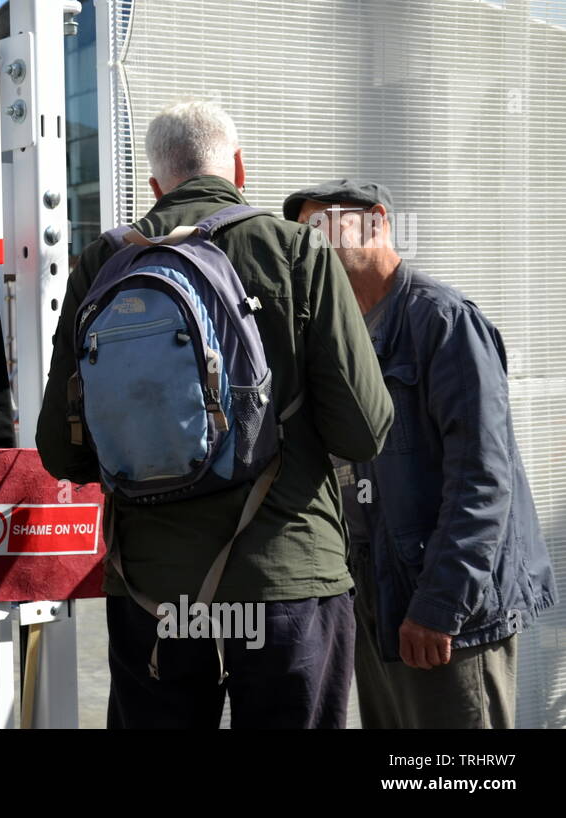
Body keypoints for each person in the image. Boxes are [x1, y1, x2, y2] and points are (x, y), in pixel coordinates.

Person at [36, 101, 394, 728]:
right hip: (285, 578)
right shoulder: (294, 250)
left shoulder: (102, 263)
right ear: (239, 167)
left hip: (153, 593)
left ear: (154, 185)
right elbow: (362, 429)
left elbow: (60, 451)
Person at [285, 179, 557, 728]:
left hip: (449, 617)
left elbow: (483, 480)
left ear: (378, 221)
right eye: (303, 236)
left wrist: (438, 606)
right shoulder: (339, 335)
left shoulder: (444, 321)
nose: (314, 247)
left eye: (324, 228)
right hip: (381, 608)